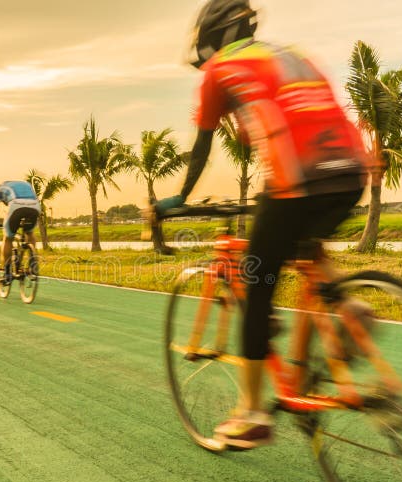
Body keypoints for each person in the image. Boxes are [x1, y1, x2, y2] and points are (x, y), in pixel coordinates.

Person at [154, 0, 368, 449]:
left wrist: (180, 198)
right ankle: (349, 309)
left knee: (256, 282)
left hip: (300, 177)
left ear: (212, 38)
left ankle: (251, 413)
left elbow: (202, 148)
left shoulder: (219, 70)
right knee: (306, 247)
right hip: (350, 172)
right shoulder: (293, 54)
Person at [0, 180, 41, 284]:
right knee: (29, 233)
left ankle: (7, 273)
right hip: (35, 206)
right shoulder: (26, 184)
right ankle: (33, 264)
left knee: (8, 238)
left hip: (16, 206)